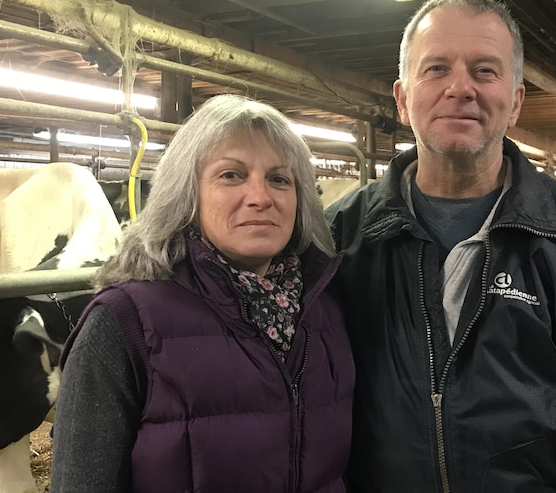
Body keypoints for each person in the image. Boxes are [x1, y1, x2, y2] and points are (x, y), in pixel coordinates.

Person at [325, 0, 556, 492]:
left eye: (484, 70)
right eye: (436, 68)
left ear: (514, 102)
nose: (460, 88)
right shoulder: (339, 238)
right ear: (402, 99)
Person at [50, 94, 354, 492]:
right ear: (187, 193)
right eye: (231, 175)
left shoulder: (325, 311)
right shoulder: (123, 323)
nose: (261, 197)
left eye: (280, 179)